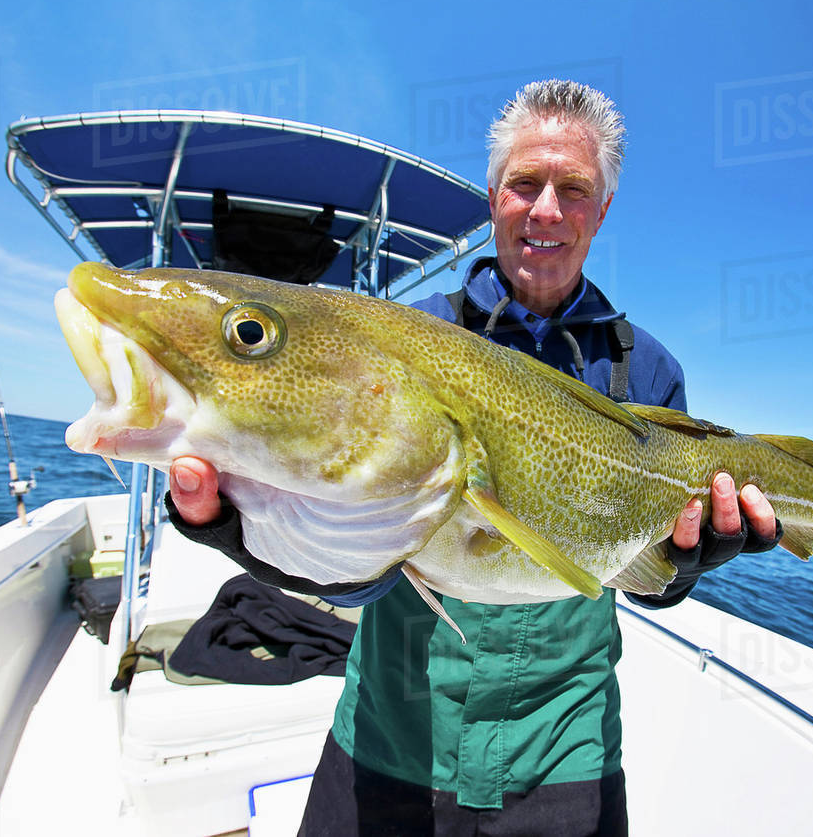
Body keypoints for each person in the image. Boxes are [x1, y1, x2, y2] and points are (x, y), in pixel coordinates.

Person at [166, 80, 781, 835]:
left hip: (564, 753)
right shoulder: (400, 339)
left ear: (602, 211)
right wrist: (245, 526)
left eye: (574, 189)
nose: (546, 209)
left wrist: (684, 565)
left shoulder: (647, 372)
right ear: (494, 196)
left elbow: (646, 575)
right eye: (525, 183)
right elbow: (358, 566)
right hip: (393, 738)